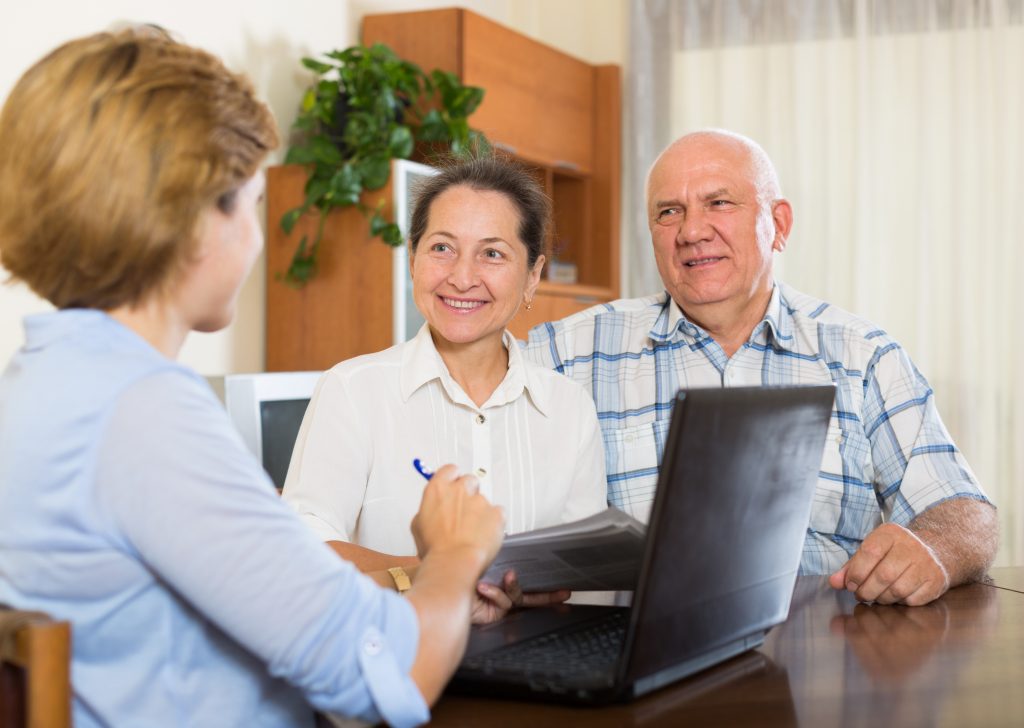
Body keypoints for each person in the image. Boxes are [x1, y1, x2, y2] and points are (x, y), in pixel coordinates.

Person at [0, 28, 505, 727]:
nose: (259, 238)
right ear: (196, 214)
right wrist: (456, 554)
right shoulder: (142, 409)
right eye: (256, 205)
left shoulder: (39, 382)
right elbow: (397, 671)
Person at [523, 129, 998, 607]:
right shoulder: (567, 353)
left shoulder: (864, 358)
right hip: (637, 654)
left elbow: (965, 512)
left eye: (719, 203)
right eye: (669, 212)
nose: (691, 232)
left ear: (779, 224)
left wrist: (933, 548)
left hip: (826, 653)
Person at [282, 157, 608, 617]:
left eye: (492, 253)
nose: (461, 277)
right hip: (392, 660)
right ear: (412, 257)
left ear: (532, 275)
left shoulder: (569, 409)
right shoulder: (352, 391)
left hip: (537, 670)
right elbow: (301, 550)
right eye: (442, 248)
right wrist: (437, 573)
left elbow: (582, 578)